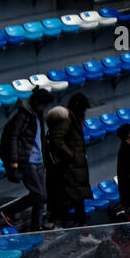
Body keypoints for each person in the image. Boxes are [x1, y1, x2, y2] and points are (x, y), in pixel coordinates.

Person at [0, 87, 53, 231]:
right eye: (43, 104)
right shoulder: (23, 115)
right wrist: (14, 162)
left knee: (43, 196)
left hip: (39, 159)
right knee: (38, 194)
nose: (45, 107)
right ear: (36, 102)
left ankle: (37, 225)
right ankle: (9, 211)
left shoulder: (38, 114)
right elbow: (13, 137)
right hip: (26, 159)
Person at [46, 93, 91, 228]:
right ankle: (53, 222)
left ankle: (80, 229)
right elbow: (56, 140)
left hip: (75, 167)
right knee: (73, 197)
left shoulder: (73, 118)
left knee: (77, 197)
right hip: (70, 167)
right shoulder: (67, 119)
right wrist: (70, 155)